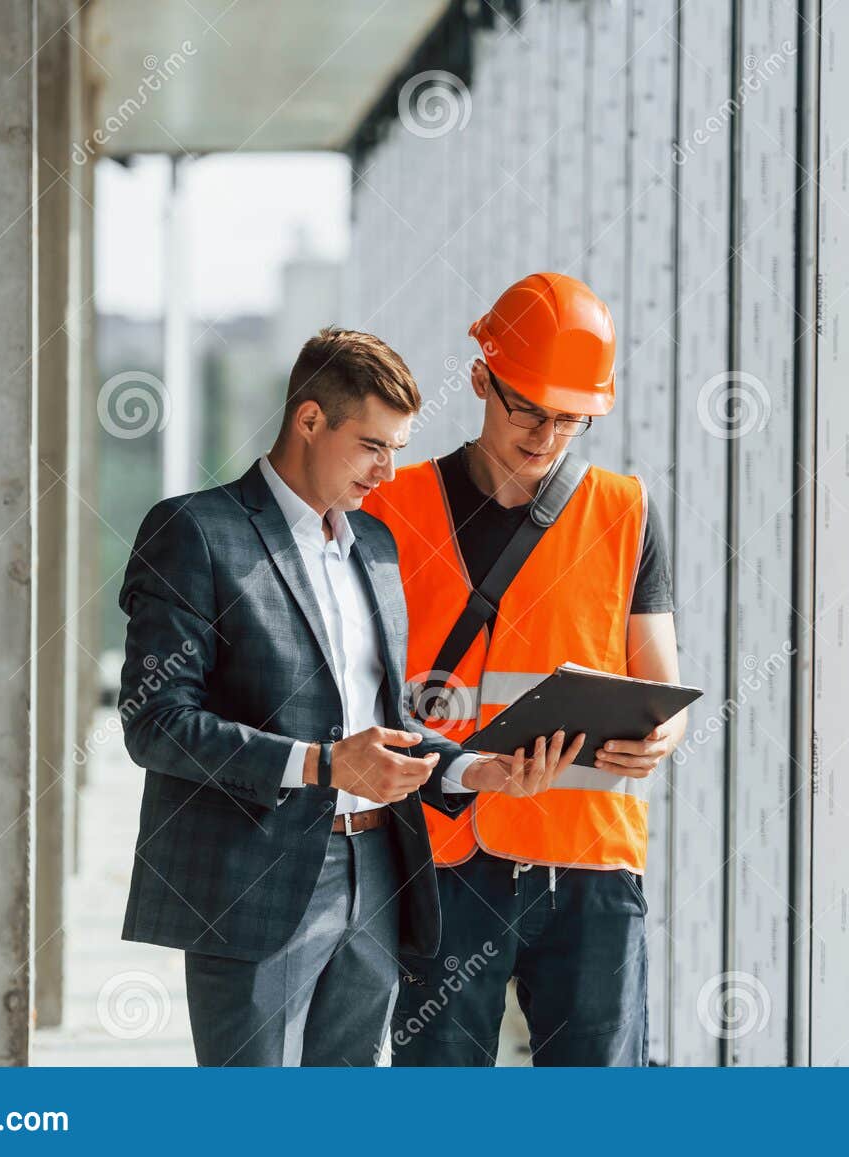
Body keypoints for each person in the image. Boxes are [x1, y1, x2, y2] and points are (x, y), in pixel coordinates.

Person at [117, 327, 583, 1066]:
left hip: (379, 875)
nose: (387, 472)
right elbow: (157, 722)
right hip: (257, 884)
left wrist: (476, 769)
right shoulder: (196, 532)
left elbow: (384, 723)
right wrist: (322, 763)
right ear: (309, 420)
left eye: (396, 449)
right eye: (371, 446)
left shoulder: (376, 545)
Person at [363, 273, 685, 1066]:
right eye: (530, 410)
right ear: (481, 379)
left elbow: (661, 685)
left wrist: (660, 736)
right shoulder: (391, 507)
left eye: (570, 417)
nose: (547, 435)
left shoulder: (625, 510)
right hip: (444, 856)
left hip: (588, 859)